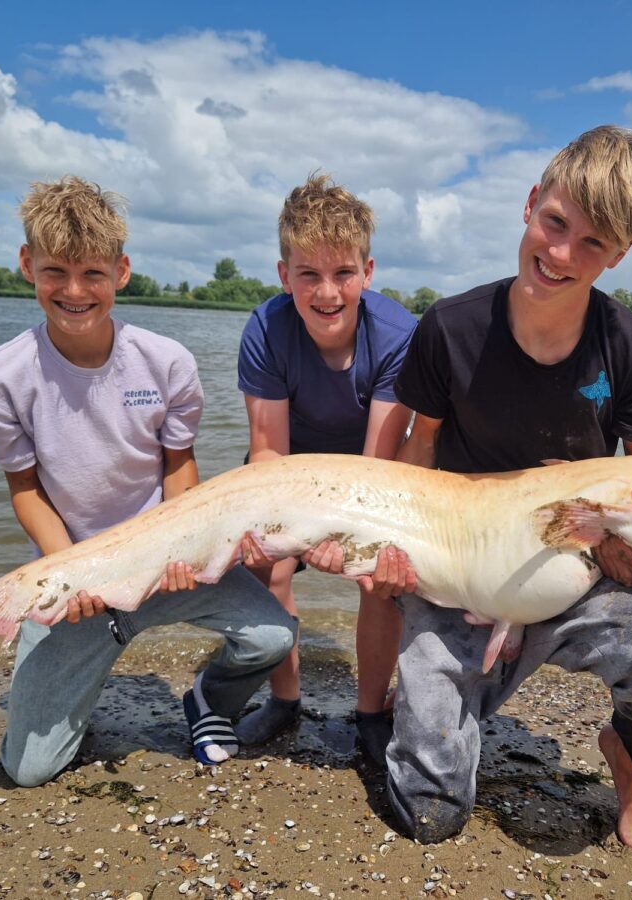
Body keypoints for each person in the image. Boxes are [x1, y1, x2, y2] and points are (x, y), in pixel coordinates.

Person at [386, 126, 632, 862]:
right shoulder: (449, 327)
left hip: (572, 571)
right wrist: (396, 556)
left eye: (593, 243)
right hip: (460, 569)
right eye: (556, 223)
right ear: (532, 202)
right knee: (429, 815)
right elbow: (416, 456)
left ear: (620, 253)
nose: (561, 254)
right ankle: (446, 708)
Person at [0, 176, 296, 784]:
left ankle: (209, 699)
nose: (74, 291)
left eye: (92, 273)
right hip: (76, 576)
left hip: (166, 560)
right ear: (27, 265)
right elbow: (25, 488)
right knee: (28, 770)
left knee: (274, 635)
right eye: (55, 271)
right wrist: (69, 575)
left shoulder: (167, 362)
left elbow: (178, 464)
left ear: (120, 272)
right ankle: (72, 686)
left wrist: (184, 550)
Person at [235, 174, 417, 764]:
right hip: (288, 467)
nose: (327, 292)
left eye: (343, 273)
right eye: (308, 274)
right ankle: (284, 699)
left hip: (370, 470)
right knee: (266, 565)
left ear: (368, 272)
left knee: (378, 579)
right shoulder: (266, 328)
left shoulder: (398, 336)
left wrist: (341, 536)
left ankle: (370, 711)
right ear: (284, 275)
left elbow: (377, 466)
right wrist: (296, 536)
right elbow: (268, 451)